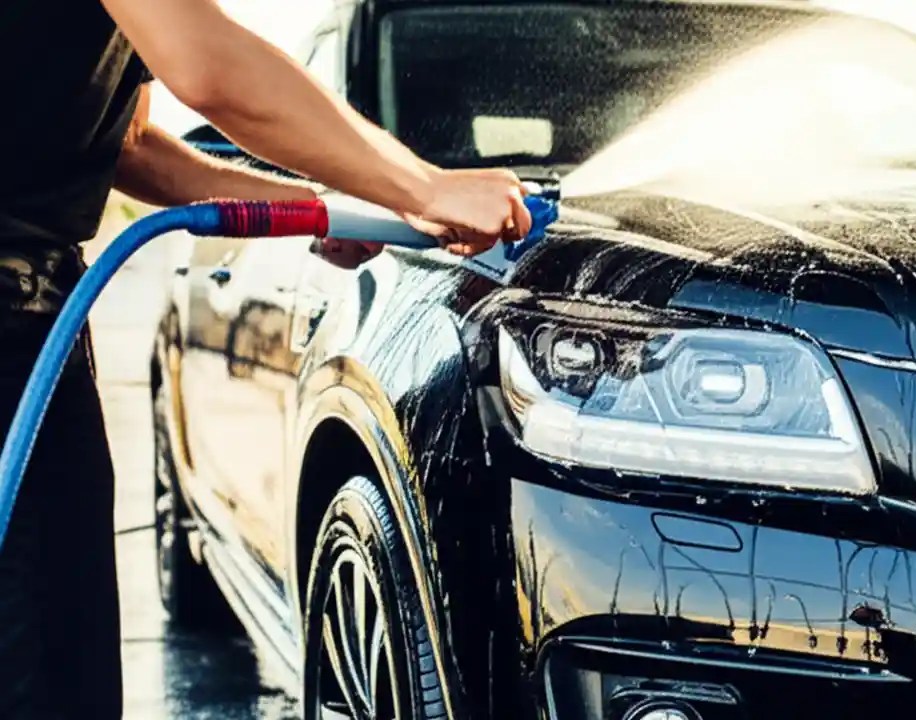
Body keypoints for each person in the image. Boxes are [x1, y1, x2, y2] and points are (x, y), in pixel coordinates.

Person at [0, 0, 533, 716]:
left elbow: (131, 147)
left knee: (62, 656)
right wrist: (421, 186)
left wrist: (325, 206)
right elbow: (208, 67)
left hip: (36, 324)